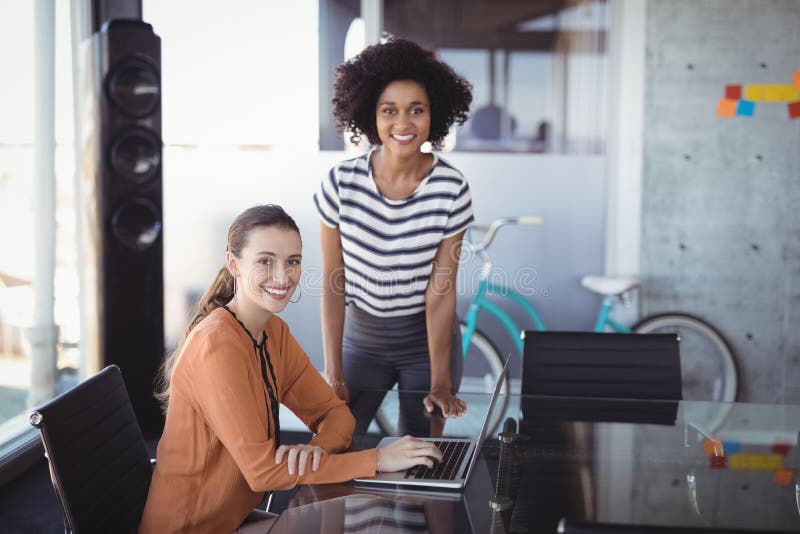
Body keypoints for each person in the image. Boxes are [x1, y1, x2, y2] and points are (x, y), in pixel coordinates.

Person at [139, 205, 443, 534]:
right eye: (265, 261)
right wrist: (378, 460)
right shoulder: (217, 347)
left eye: (292, 261)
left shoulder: (273, 332)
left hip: (232, 517)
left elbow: (336, 415)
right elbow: (263, 473)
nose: (283, 277)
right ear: (234, 264)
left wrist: (314, 450)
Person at [314, 37, 474, 438]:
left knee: (421, 459)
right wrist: (333, 371)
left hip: (425, 346)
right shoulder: (341, 183)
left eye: (416, 110)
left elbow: (441, 291)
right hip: (361, 343)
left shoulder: (451, 188)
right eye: (390, 110)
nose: (403, 123)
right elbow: (334, 282)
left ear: (434, 114)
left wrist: (440, 383)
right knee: (336, 445)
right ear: (371, 114)